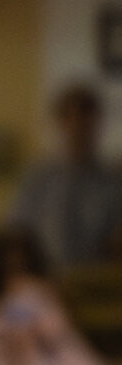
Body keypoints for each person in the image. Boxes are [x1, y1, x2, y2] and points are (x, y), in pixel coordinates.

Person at [8, 85, 122, 274]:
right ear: (60, 123)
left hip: (93, 283)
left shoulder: (113, 182)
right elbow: (14, 234)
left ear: (96, 124)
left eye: (86, 122)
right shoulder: (37, 177)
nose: (78, 130)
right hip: (43, 281)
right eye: (71, 119)